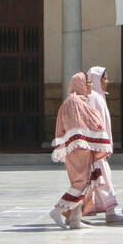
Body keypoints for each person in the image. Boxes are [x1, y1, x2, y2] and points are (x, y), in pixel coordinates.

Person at [49, 71, 113, 229]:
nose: (90, 85)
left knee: (84, 182)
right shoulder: (73, 102)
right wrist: (86, 141)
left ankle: (75, 220)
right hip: (78, 148)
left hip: (83, 147)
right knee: (80, 182)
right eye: (88, 82)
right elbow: (76, 127)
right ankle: (58, 210)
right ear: (80, 84)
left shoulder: (80, 101)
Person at [83, 66, 123, 222]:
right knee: (104, 177)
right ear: (97, 80)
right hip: (97, 146)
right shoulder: (93, 97)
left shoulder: (98, 96)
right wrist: (103, 143)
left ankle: (86, 209)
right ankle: (110, 212)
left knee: (95, 178)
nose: (107, 82)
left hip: (98, 145)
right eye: (105, 78)